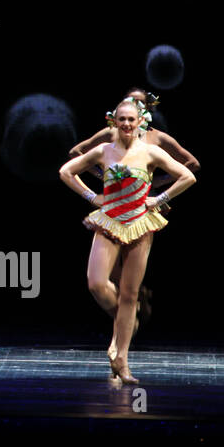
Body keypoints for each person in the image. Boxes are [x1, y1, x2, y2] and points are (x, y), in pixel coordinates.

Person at [59, 96, 196, 384]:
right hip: (108, 221)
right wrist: (92, 196)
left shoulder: (150, 152)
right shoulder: (104, 150)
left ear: (139, 122)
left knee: (130, 294)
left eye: (131, 120)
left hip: (139, 224)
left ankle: (121, 360)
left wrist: (158, 198)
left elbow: (187, 176)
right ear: (113, 121)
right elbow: (66, 171)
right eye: (121, 119)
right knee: (97, 283)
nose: (126, 124)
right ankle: (127, 318)